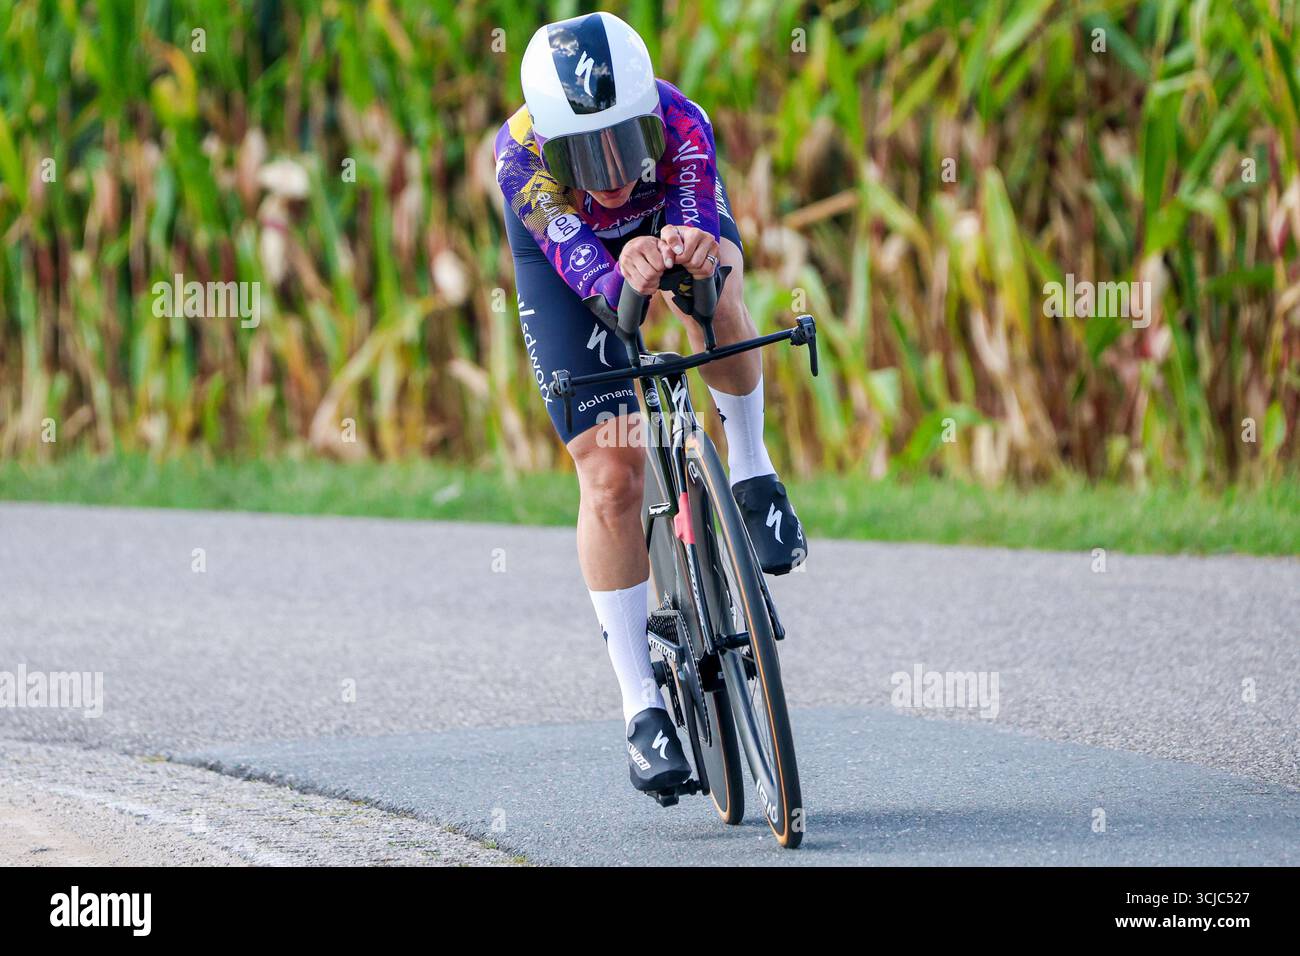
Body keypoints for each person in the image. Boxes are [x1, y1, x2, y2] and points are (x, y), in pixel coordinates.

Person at [494, 11, 807, 793]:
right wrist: (621, 273)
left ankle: (751, 468)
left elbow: (699, 232)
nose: (609, 173)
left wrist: (689, 253)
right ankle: (641, 709)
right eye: (585, 155)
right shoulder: (523, 161)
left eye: (626, 145)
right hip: (575, 264)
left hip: (667, 225)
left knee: (718, 291)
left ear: (648, 123)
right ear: (552, 146)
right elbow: (594, 286)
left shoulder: (682, 122)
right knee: (612, 476)